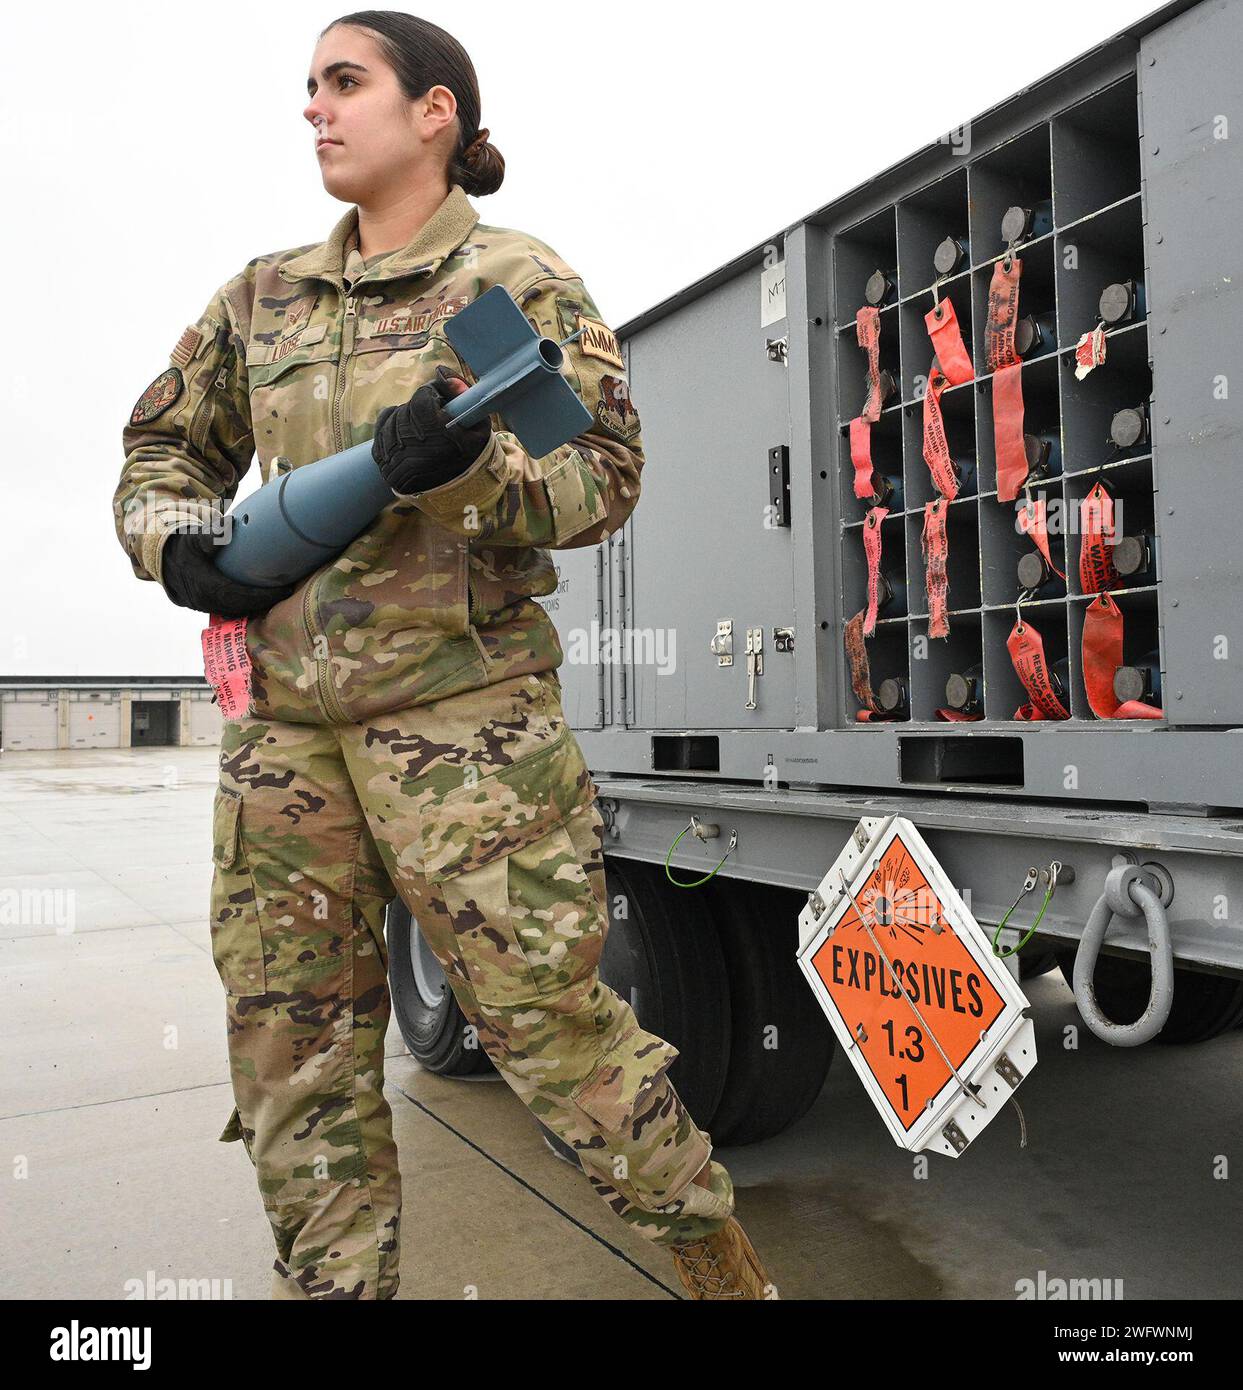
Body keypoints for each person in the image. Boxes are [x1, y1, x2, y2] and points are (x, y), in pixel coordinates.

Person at [114, 9, 774, 1301]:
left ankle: (720, 1268)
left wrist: (464, 473)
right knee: (292, 1048)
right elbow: (161, 455)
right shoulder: (264, 299)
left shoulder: (506, 293)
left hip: (469, 736)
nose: (315, 107)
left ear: (437, 113)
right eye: (307, 86)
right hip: (285, 748)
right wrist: (179, 541)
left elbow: (603, 475)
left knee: (551, 1031)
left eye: (344, 82)